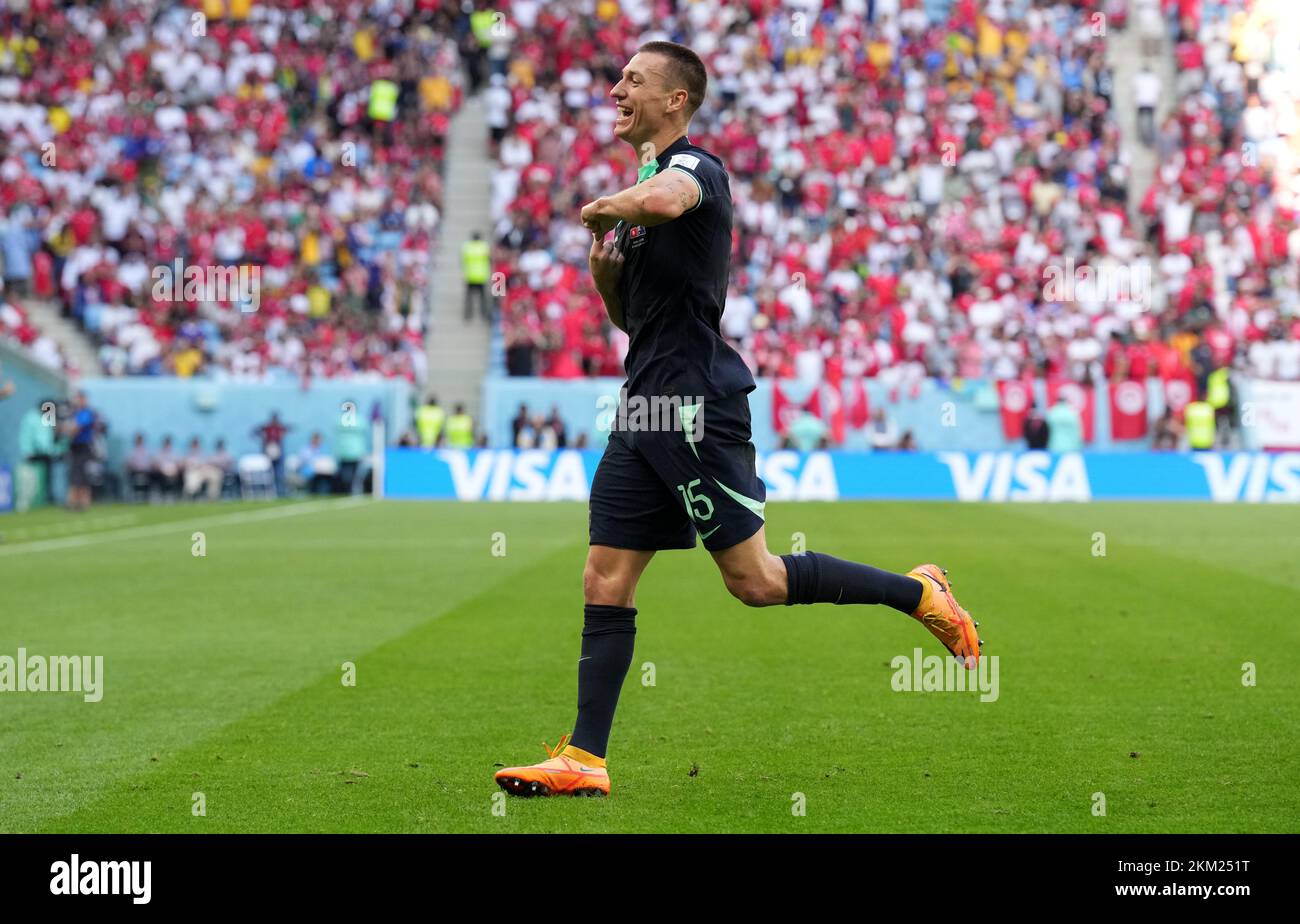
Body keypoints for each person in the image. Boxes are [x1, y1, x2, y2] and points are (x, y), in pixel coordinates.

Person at [494, 42, 983, 800]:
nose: (617, 89)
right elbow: (635, 321)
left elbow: (662, 200)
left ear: (675, 103)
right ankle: (585, 759)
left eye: (634, 80)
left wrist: (604, 205)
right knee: (604, 575)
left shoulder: (695, 171)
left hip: (693, 406)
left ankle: (918, 593)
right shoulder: (646, 193)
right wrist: (603, 278)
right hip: (643, 405)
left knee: (754, 582)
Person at [60, 391, 97, 511]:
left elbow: (75, 428)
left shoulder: (86, 413)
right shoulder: (75, 413)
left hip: (83, 446)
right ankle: (75, 501)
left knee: (81, 474)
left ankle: (80, 501)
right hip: (75, 446)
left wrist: (65, 429)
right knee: (76, 473)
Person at [253, 412, 291, 497]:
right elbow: (255, 431)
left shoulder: (279, 427)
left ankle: (281, 492)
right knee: (268, 473)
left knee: (279, 473)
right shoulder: (267, 427)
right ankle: (269, 492)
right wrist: (262, 439)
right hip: (268, 452)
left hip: (278, 452)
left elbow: (289, 429)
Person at [461, 230, 492, 322]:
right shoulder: (484, 246)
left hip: (470, 275)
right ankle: (484, 314)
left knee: (469, 297)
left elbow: (463, 260)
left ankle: (468, 314)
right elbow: (489, 259)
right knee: (483, 298)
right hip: (481, 275)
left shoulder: (467, 247)